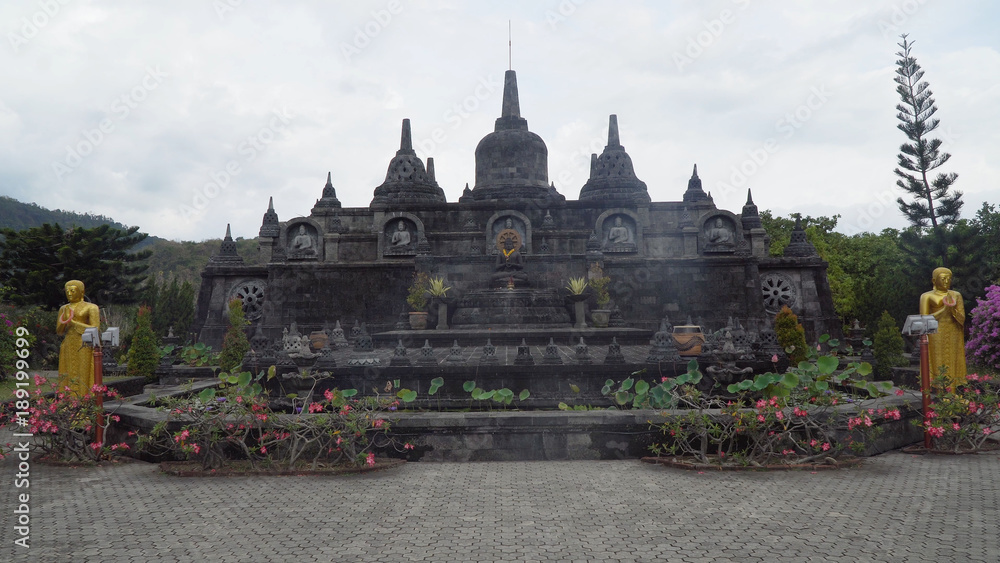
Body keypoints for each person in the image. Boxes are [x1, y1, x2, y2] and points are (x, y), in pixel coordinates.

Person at [919, 267, 966, 389]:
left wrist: (953, 311)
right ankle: (941, 393)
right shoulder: (927, 296)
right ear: (934, 280)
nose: (947, 282)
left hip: (953, 331)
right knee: (938, 361)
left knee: (952, 360)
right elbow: (924, 319)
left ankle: (953, 393)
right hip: (936, 332)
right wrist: (944, 310)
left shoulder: (956, 295)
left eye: (949, 279)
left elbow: (962, 319)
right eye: (943, 279)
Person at [56, 280, 101, 396]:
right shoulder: (64, 308)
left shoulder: (91, 307)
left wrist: (74, 323)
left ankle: (84, 401)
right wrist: (63, 322)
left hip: (84, 343)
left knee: (83, 372)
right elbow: (59, 332)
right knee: (68, 371)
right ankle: (68, 401)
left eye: (72, 291)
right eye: (67, 291)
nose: (69, 294)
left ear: (81, 292)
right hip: (69, 342)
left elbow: (95, 328)